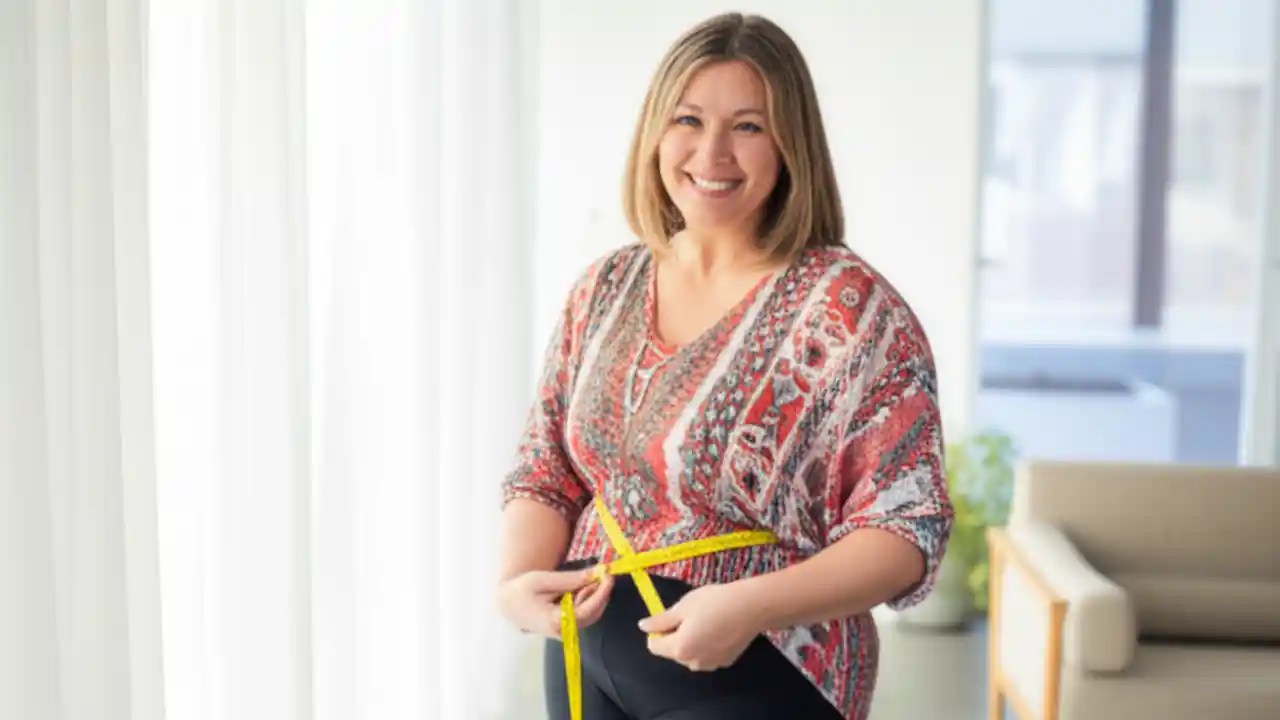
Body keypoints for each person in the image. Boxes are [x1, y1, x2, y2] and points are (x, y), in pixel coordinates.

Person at [496, 12, 953, 720]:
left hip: (760, 667)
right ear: (655, 131)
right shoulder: (606, 289)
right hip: (584, 661)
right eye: (688, 119)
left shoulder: (852, 312)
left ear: (791, 143)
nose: (712, 153)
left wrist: (748, 607)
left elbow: (906, 530)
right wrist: (515, 581)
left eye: (748, 126)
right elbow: (545, 468)